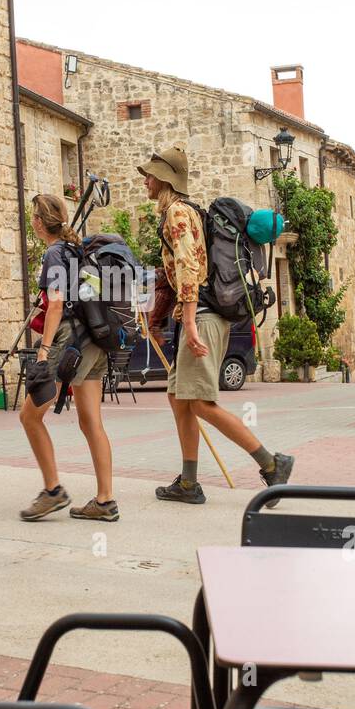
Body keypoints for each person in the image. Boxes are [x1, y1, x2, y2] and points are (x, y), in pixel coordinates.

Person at [138, 146, 294, 504]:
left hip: (203, 317)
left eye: (149, 175)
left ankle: (271, 465)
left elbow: (189, 266)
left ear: (165, 179)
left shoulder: (178, 212)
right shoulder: (187, 210)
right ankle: (189, 483)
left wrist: (189, 322)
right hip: (201, 314)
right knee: (179, 398)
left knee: (202, 403)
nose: (145, 180)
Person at [17, 194, 118, 522]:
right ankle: (105, 501)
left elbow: (56, 304)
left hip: (69, 343)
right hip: (96, 341)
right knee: (92, 422)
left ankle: (52, 490)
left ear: (38, 222)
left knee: (30, 416)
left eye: (33, 216)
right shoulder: (80, 250)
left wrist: (44, 350)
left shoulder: (54, 253)